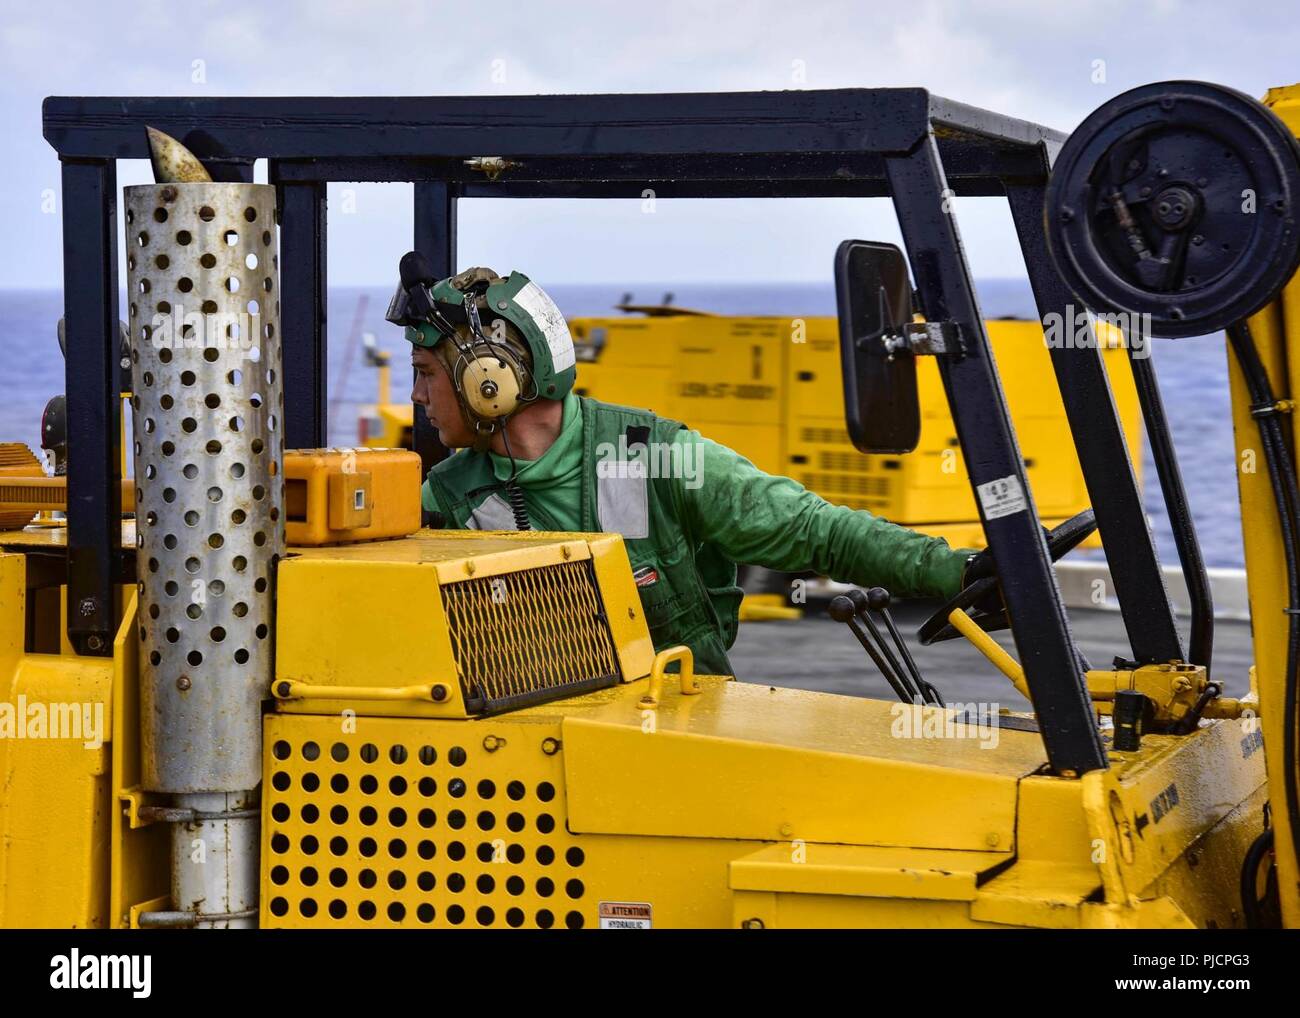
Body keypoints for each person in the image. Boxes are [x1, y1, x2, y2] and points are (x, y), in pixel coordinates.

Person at [388, 260, 977, 675]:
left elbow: (809, 528)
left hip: (685, 736)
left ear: (489, 381)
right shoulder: (442, 502)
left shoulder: (653, 454)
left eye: (426, 373)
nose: (417, 395)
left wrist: (954, 573)